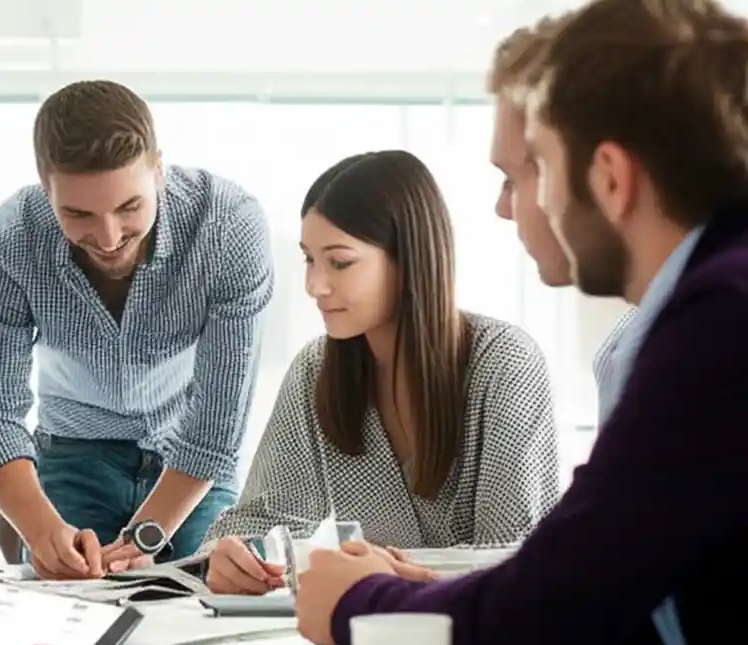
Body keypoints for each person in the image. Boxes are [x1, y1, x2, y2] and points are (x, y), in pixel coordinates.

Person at [295, 2, 748, 645]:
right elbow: (615, 592)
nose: (509, 210)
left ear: (608, 178)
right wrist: (422, 597)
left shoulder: (721, 322)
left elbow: (540, 623)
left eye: (532, 168)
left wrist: (362, 604)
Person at [201, 150, 560, 595]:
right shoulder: (315, 371)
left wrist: (384, 577)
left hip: (485, 638)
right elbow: (258, 521)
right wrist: (231, 555)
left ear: (409, 259)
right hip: (377, 631)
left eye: (340, 262)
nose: (315, 286)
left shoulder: (505, 363)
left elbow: (516, 555)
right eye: (309, 259)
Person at [0, 80, 273, 579]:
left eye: (129, 207)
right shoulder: (13, 238)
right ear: (47, 189)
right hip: (72, 452)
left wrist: (145, 535)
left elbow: (218, 421)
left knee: (221, 583)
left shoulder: (229, 227)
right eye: (78, 213)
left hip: (189, 459)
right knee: (68, 599)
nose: (108, 238)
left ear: (158, 170)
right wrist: (43, 533)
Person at [487, 13, 636, 417]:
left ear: (606, 174)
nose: (503, 208)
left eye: (515, 178)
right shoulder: (630, 343)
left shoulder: (702, 341)